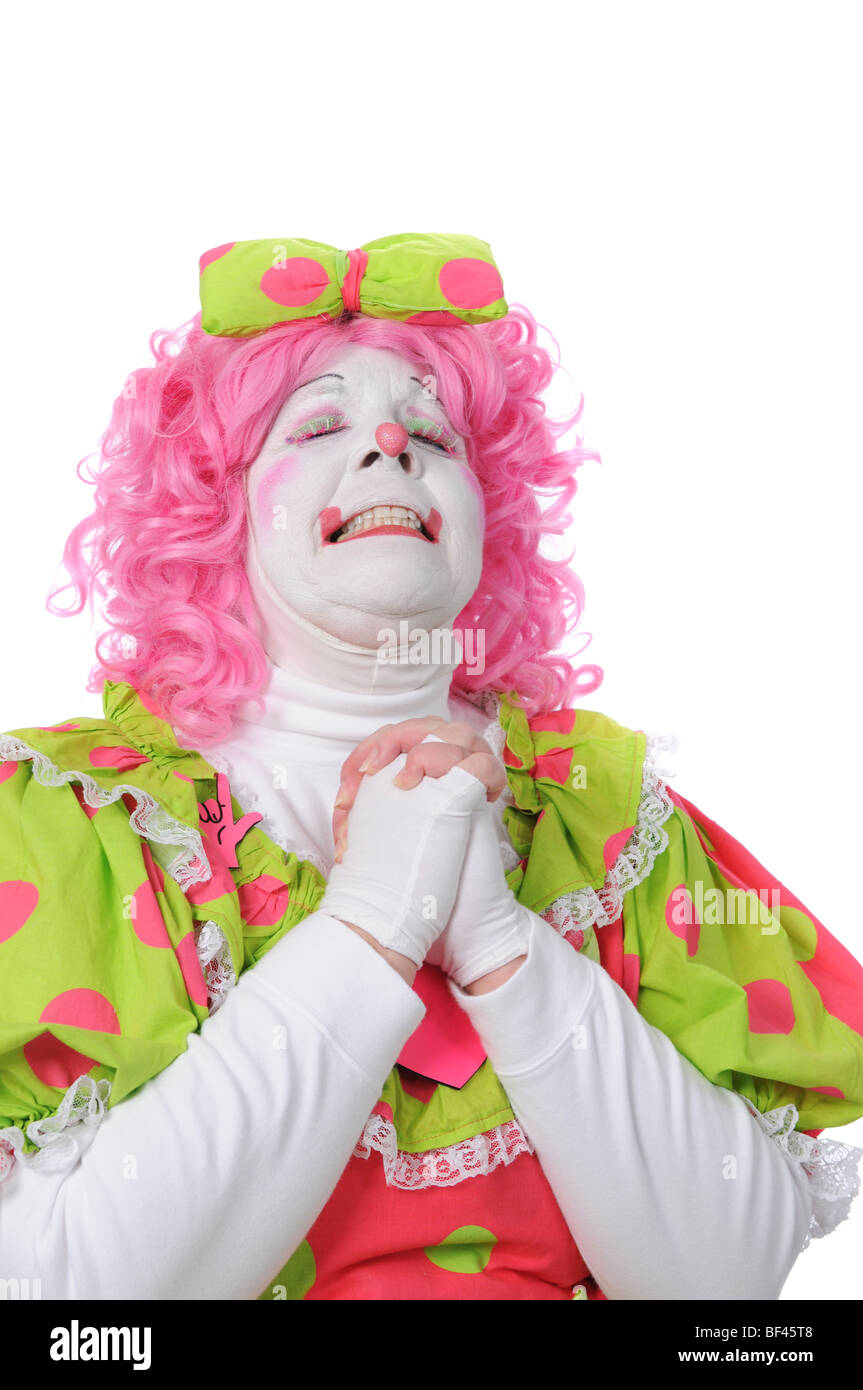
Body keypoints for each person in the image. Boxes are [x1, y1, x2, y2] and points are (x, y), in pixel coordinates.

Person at [1, 233, 861, 1301]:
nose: (390, 442)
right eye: (316, 423)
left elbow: (721, 1293)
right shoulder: (75, 825)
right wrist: (369, 920)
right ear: (215, 507)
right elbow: (72, 1309)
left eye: (435, 436)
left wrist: (501, 944)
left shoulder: (605, 813)